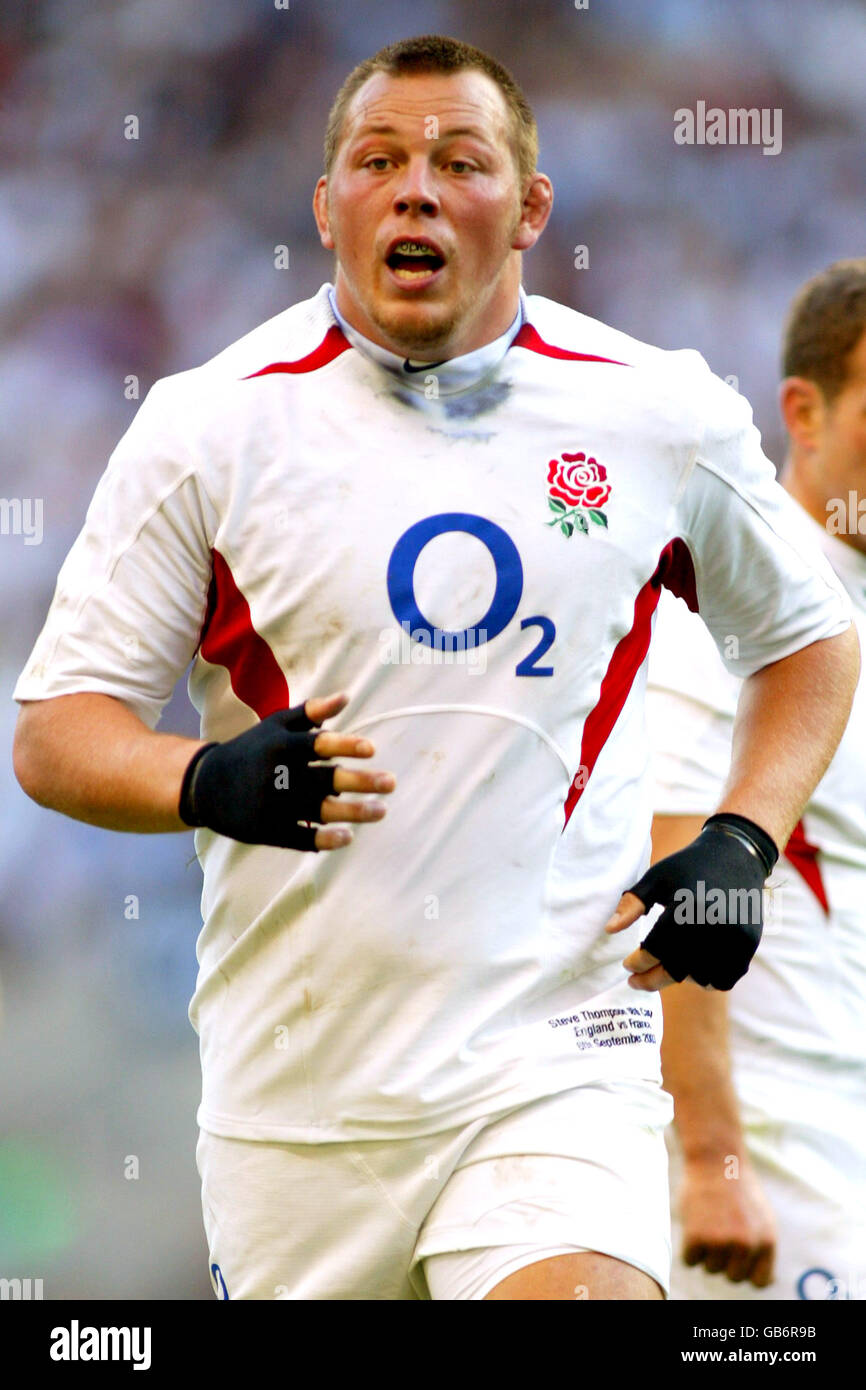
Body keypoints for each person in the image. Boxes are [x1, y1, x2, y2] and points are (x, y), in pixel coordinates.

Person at [11, 35, 859, 1301]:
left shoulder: (652, 411)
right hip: (300, 1103)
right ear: (328, 204)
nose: (414, 188)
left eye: (459, 162)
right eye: (378, 160)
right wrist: (206, 780)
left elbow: (803, 635)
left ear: (526, 211)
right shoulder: (207, 424)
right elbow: (54, 731)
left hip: (556, 1062)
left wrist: (741, 837)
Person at [647, 259, 866, 1301]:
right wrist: (711, 1159)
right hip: (780, 1147)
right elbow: (679, 871)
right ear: (803, 410)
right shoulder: (749, 611)